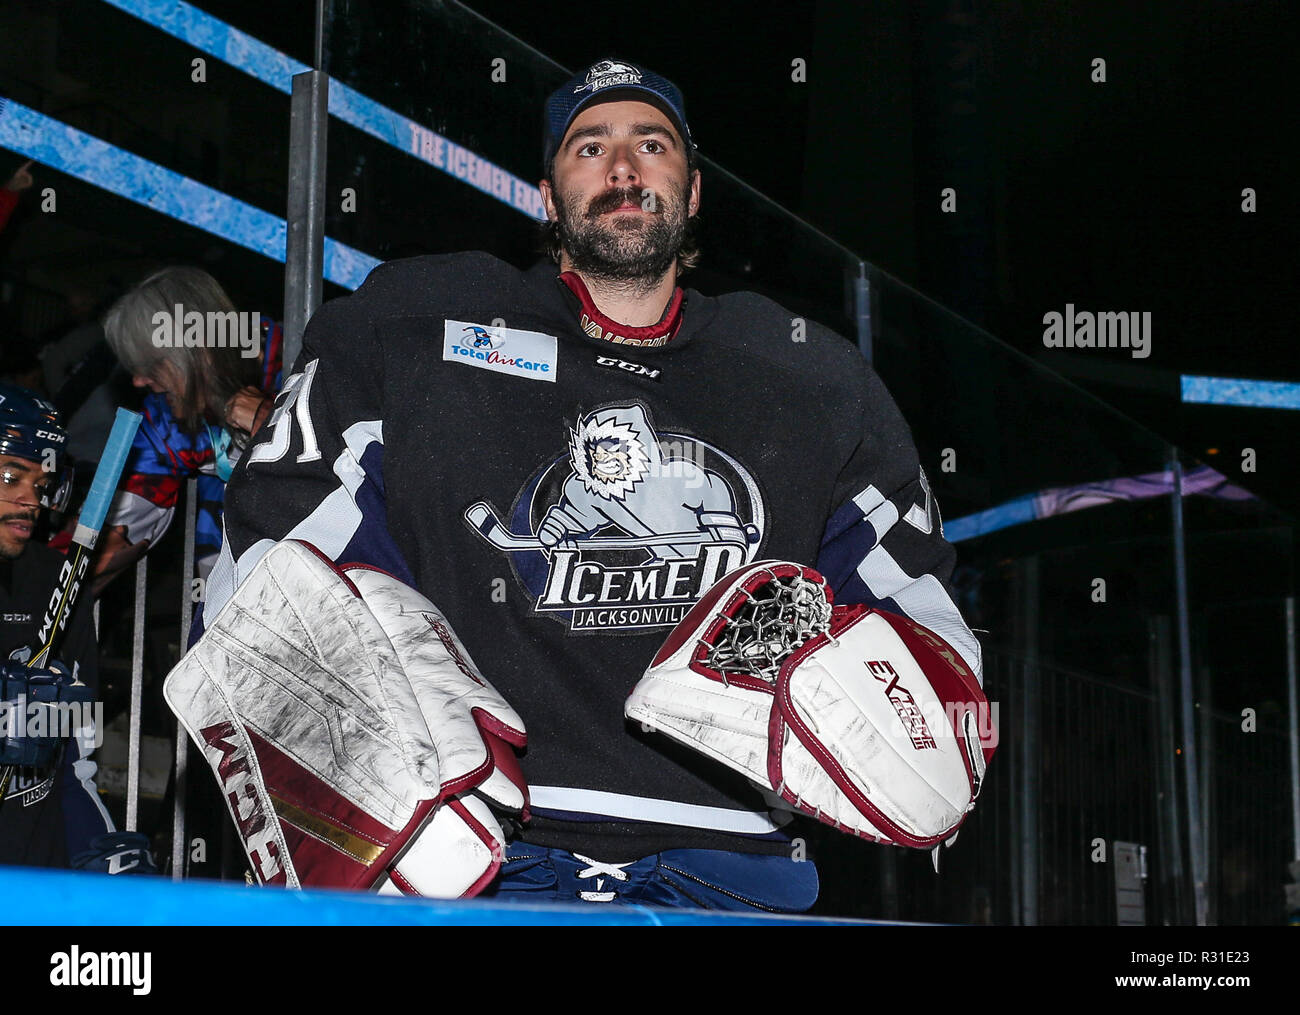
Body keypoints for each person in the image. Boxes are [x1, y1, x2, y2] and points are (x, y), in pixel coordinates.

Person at [197, 59, 984, 912]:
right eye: (589, 147)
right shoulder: (419, 321)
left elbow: (915, 601)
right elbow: (279, 523)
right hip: (480, 858)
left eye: (652, 145)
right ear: (547, 196)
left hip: (729, 870)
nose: (622, 168)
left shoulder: (811, 377)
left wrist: (926, 702)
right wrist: (378, 702)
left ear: (690, 197)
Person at [0, 382, 152, 873]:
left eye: (41, 487)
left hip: (31, 884)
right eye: (10, 477)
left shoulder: (54, 582)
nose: (31, 501)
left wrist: (99, 852)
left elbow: (75, 771)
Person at [91, 267, 280, 597]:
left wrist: (275, 424)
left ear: (198, 349)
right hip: (232, 580)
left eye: (150, 364)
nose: (137, 380)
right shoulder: (164, 418)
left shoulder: (300, 359)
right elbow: (116, 528)